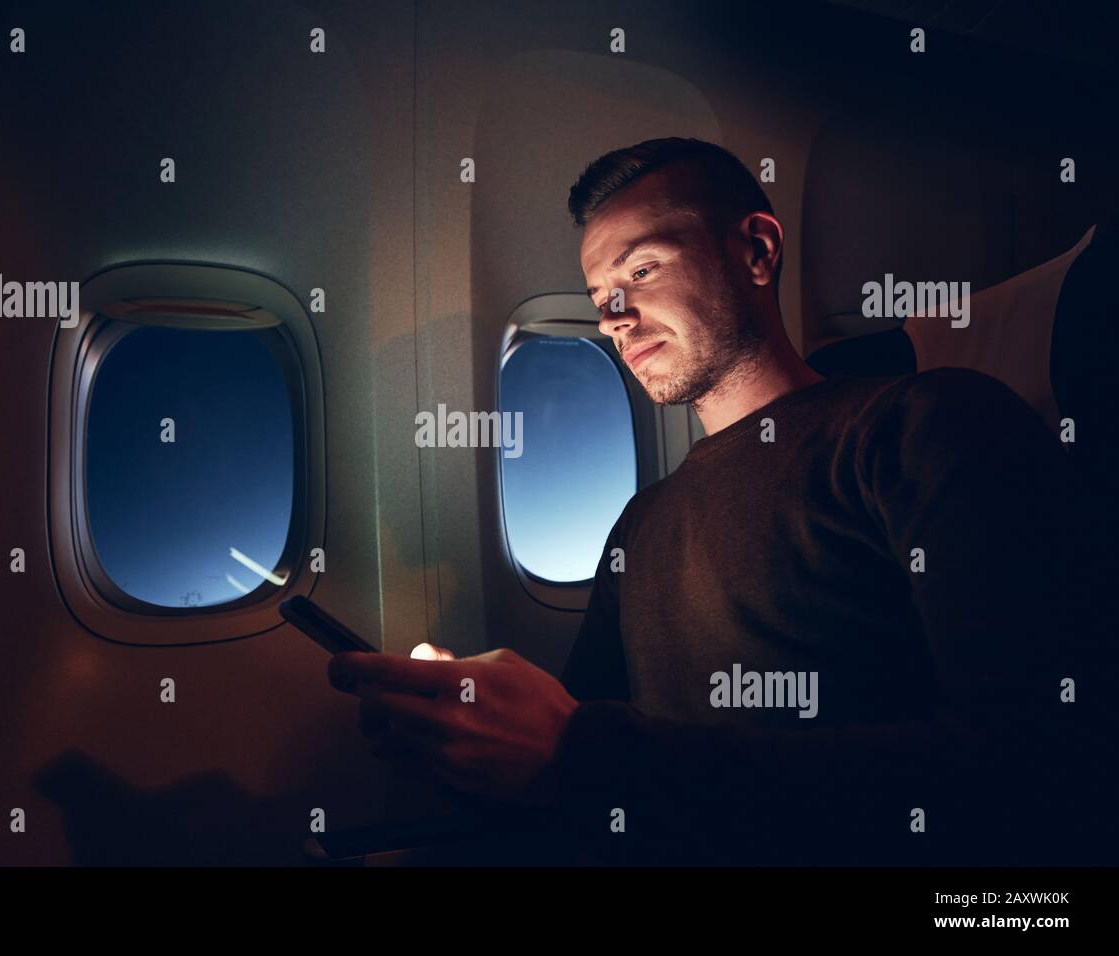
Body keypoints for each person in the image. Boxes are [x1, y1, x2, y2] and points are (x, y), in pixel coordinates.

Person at [328, 137, 1117, 865]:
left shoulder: (923, 425)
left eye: (640, 273)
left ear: (757, 251)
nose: (613, 319)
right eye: (600, 294)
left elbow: (1043, 760)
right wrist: (466, 741)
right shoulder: (641, 523)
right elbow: (582, 753)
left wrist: (588, 754)